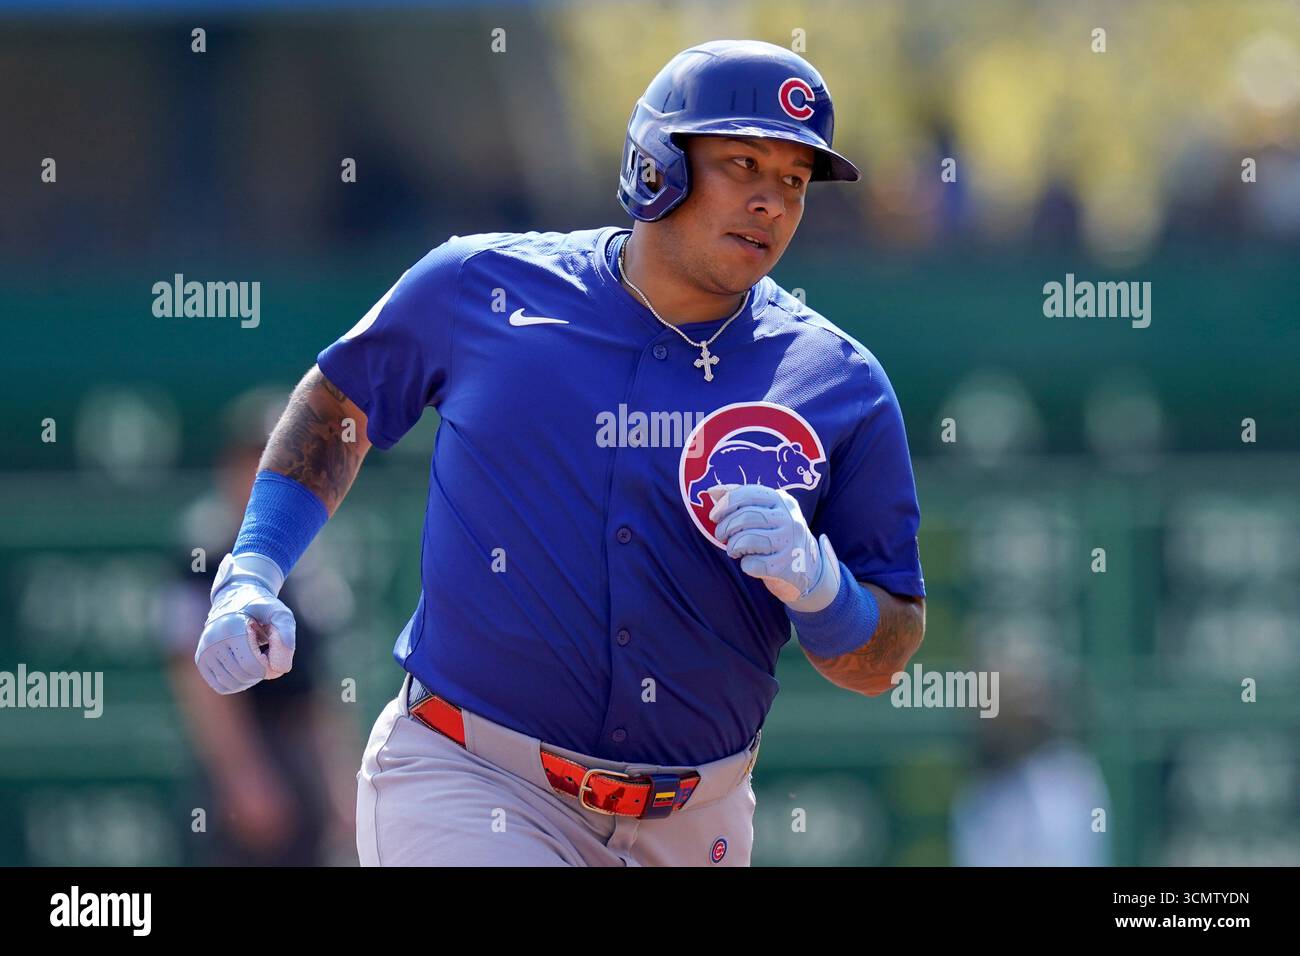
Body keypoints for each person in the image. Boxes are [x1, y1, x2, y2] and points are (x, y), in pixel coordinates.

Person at [194, 39, 927, 867]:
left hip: (698, 821)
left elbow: (886, 652)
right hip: (472, 783)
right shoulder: (482, 287)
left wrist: (826, 592)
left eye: (793, 181)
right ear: (659, 166)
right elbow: (338, 406)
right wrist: (252, 566)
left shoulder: (837, 382)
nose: (770, 201)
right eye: (743, 163)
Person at [161, 389, 354, 865]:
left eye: (286, 462)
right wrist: (243, 774)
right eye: (259, 461)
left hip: (300, 761)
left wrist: (339, 783)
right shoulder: (203, 554)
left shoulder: (306, 561)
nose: (268, 477)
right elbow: (192, 675)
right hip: (246, 756)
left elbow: (318, 692)